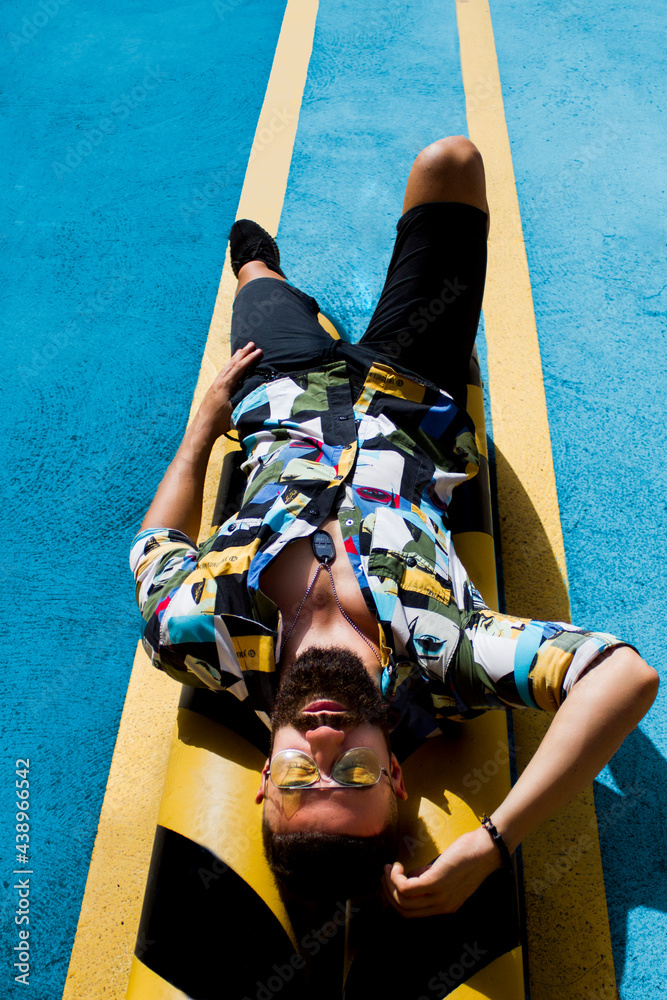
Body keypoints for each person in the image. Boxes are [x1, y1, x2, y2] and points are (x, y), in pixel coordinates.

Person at [131, 136, 658, 916]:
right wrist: (491, 842)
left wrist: (204, 427)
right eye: (353, 775)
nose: (324, 747)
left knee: (254, 274)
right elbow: (623, 677)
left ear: (264, 779)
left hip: (276, 391)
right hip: (412, 393)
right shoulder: (445, 657)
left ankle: (263, 270)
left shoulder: (196, 634)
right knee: (450, 164)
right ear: (396, 775)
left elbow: (156, 547)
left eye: (301, 775)